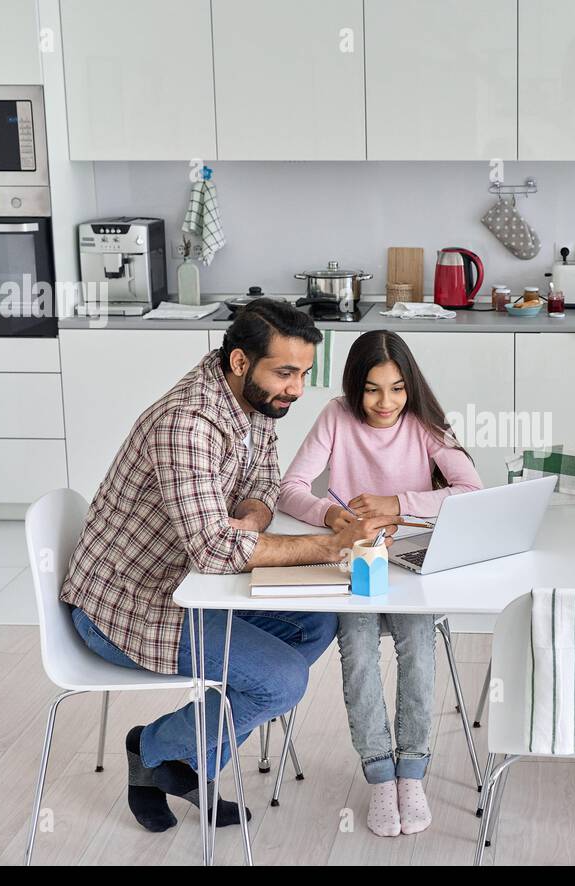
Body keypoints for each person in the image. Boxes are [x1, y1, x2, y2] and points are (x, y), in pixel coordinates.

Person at [60, 299, 397, 832]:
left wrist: (254, 511)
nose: (296, 389)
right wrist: (332, 546)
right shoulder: (187, 424)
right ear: (240, 362)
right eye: (285, 373)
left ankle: (184, 760)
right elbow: (217, 553)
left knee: (317, 622)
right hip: (129, 608)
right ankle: (151, 748)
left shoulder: (253, 404)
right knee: (282, 682)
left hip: (190, 589)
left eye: (304, 374)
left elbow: (264, 481)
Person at [278, 330, 482, 836]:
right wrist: (333, 515)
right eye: (372, 389)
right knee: (360, 650)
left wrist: (399, 504)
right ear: (354, 387)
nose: (385, 402)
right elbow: (290, 489)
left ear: (408, 385)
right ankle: (378, 775)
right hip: (357, 561)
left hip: (413, 562)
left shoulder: (425, 422)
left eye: (395, 388)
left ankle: (411, 772)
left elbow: (471, 489)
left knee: (417, 644)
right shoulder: (336, 416)